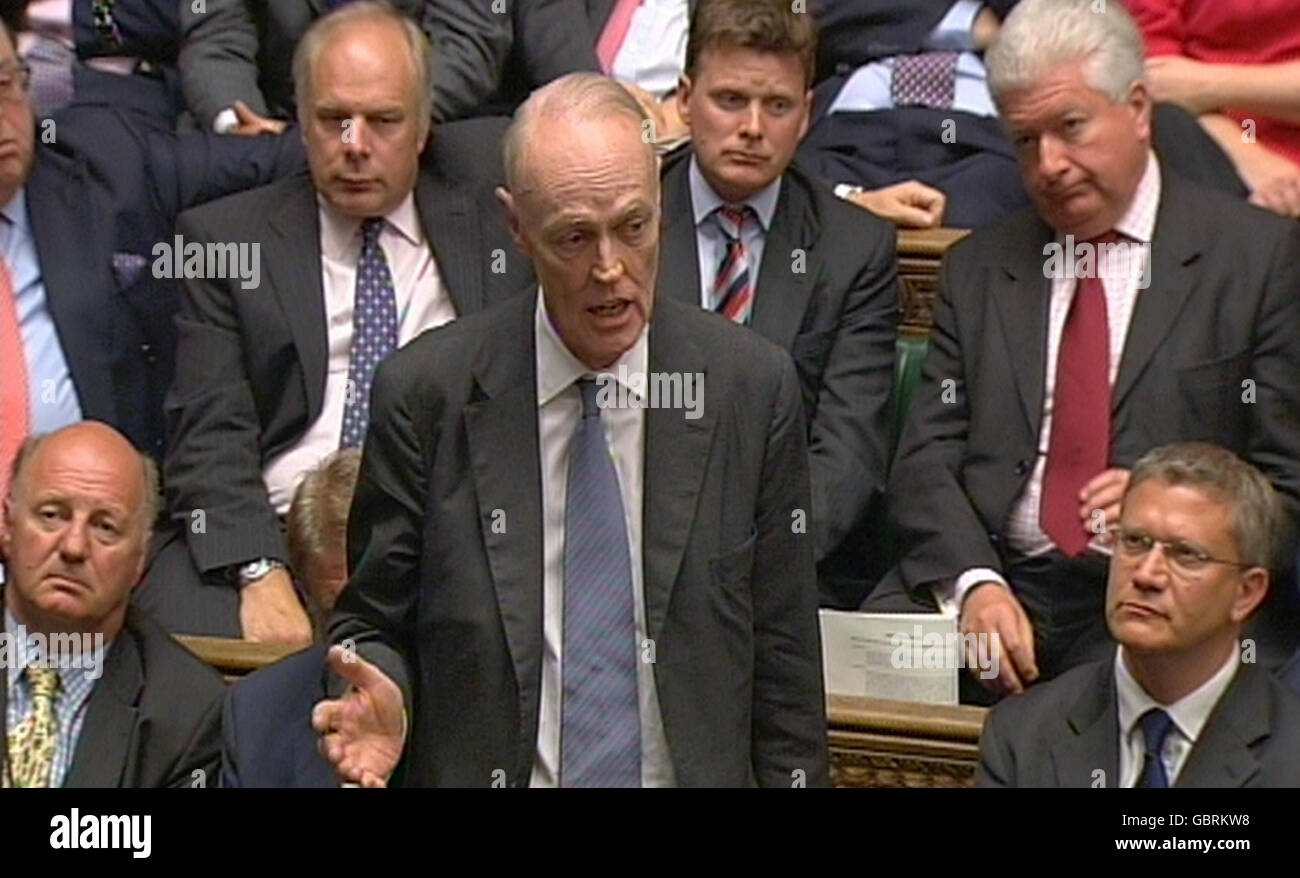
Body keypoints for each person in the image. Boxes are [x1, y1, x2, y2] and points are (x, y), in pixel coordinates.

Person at [314, 72, 829, 788]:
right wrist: (385, 692)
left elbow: (786, 668)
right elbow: (372, 621)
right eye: (575, 237)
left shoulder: (749, 389)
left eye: (633, 226)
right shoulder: (427, 395)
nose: (610, 269)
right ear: (516, 227)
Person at [876, 0, 1300, 698]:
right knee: (849, 678)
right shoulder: (981, 268)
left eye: (1071, 128)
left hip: (1163, 599)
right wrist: (974, 585)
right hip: (990, 579)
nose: (1050, 164)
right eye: (1025, 140)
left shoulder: (1254, 261)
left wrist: (1180, 506)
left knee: (1098, 713)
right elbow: (924, 459)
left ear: (1137, 108)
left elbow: (1287, 492)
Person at [148, 1, 532, 643]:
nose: (355, 146)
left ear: (423, 126)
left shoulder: (492, 214)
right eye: (333, 120)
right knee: (179, 620)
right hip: (279, 532)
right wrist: (259, 571)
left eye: (382, 121)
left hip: (446, 531)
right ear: (300, 121)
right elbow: (209, 432)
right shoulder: (225, 242)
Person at [0, 11, 305, 495]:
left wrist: (361, 126)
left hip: (101, 536)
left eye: (6, 84)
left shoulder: (107, 165)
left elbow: (290, 159)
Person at [660, 0, 897, 608]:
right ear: (686, 99)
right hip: (633, 548)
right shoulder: (631, 218)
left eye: (778, 106)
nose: (753, 128)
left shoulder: (853, 248)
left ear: (808, 113)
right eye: (731, 100)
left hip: (785, 577)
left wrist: (745, 565)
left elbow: (846, 457)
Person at [979, 443, 1300, 788]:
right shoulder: (1023, 735)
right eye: (1134, 542)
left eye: (1186, 555)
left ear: (1246, 592)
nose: (1146, 575)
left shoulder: (1289, 752)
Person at [0, 422, 224, 787]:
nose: (73, 547)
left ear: (141, 558)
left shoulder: (187, 713)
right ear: (8, 526)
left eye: (105, 527)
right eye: (52, 515)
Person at [179, 0, 511, 133]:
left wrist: (379, 116)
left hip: (410, 122)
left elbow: (468, 44)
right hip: (274, 127)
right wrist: (240, 123)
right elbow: (216, 38)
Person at [1123, 0, 1300, 218]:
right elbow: (1159, 86)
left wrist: (1208, 86)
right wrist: (1255, 163)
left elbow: (1178, 86)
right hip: (1213, 149)